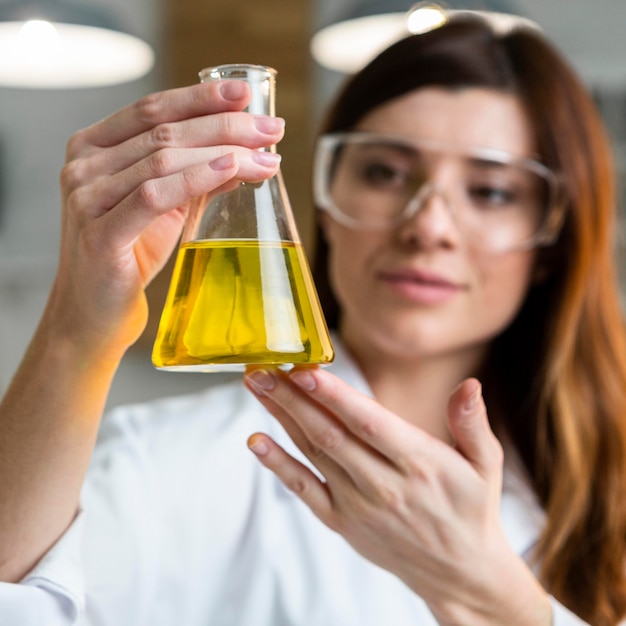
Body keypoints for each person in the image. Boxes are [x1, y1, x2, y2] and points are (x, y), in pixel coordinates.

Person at [0, 10, 624, 626]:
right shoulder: (160, 465)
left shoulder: (611, 487)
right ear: (326, 201)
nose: (428, 227)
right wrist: (75, 328)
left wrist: (498, 602)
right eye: (384, 172)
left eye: (490, 191)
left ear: (551, 242)